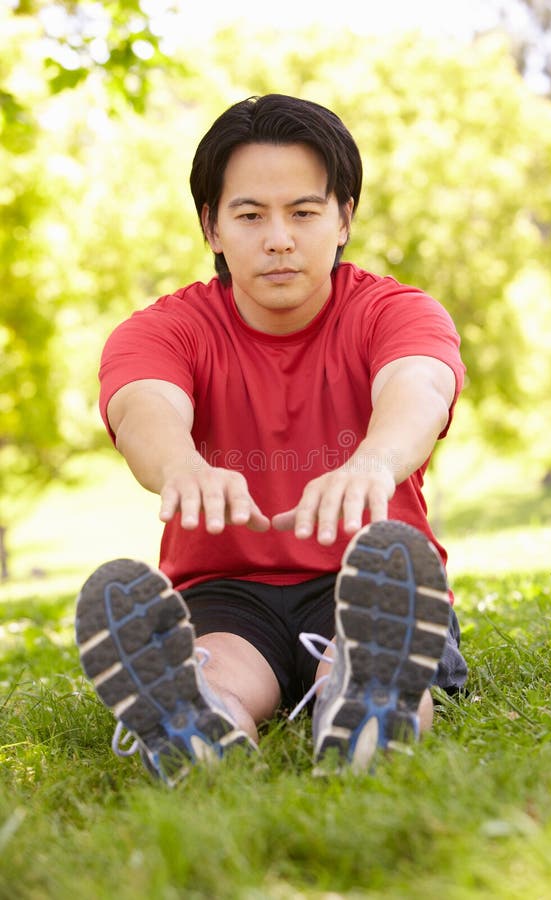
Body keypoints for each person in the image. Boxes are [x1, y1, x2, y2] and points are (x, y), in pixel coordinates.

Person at [76, 93, 468, 785]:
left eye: (304, 213)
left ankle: (367, 698)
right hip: (226, 586)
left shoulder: (396, 312)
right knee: (218, 664)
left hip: (372, 580)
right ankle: (200, 720)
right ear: (213, 227)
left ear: (344, 218)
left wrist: (373, 463)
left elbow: (420, 388)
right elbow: (143, 407)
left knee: (367, 651)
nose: (279, 238)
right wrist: (182, 467)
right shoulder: (165, 329)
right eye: (251, 215)